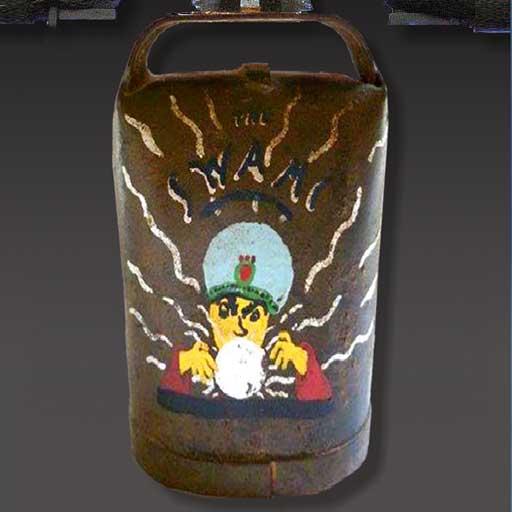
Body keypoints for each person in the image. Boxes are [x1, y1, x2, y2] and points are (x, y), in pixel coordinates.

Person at [160, 222, 332, 402]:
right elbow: (165, 404)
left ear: (267, 321)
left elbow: (322, 406)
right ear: (211, 313)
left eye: (254, 316)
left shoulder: (282, 368)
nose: (239, 328)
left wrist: (304, 365)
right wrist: (182, 364)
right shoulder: (196, 359)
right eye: (226, 312)